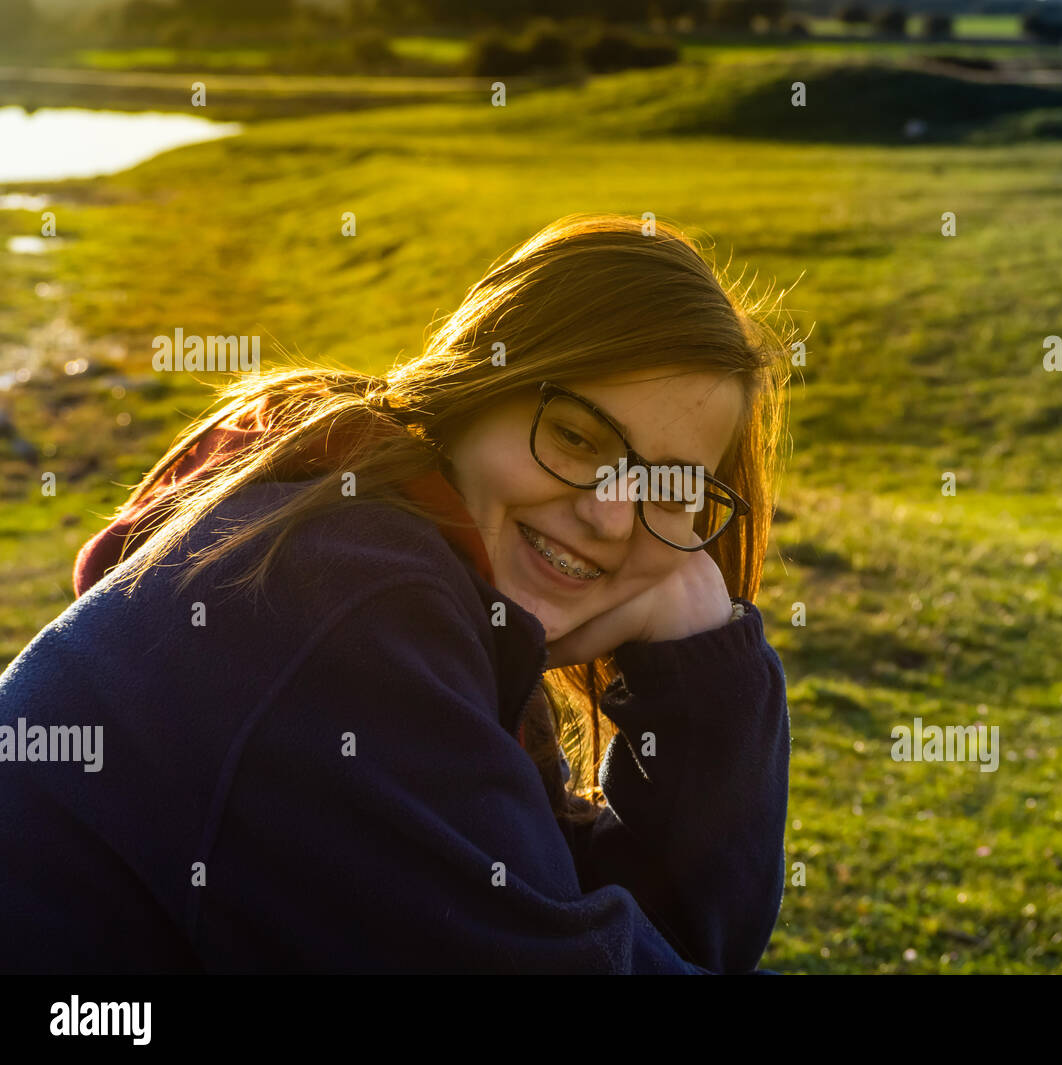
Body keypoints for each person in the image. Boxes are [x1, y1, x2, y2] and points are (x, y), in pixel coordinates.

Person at [0, 213, 798, 974]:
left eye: (667, 487)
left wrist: (703, 655)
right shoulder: (350, 595)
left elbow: (681, 939)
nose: (608, 513)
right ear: (475, 385)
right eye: (577, 437)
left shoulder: (426, 576)